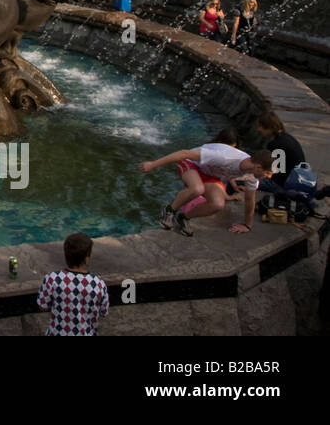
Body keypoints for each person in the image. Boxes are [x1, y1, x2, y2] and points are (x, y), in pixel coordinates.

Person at [140, 142, 274, 236]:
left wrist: (247, 225)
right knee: (197, 189)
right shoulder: (225, 157)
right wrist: (153, 164)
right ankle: (169, 211)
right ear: (258, 167)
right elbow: (184, 153)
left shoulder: (252, 176)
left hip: (210, 174)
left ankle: (183, 218)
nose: (268, 177)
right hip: (190, 164)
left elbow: (250, 200)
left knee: (217, 204)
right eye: (268, 173)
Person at [36, 233, 109, 336]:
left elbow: (42, 306)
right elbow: (103, 311)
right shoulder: (98, 284)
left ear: (66, 255)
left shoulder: (53, 279)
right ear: (87, 258)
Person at [255, 111, 305, 189]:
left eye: (261, 126)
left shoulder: (276, 144)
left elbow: (276, 174)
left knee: (245, 180)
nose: (259, 129)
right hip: (298, 179)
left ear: (270, 128)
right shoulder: (287, 137)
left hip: (285, 183)